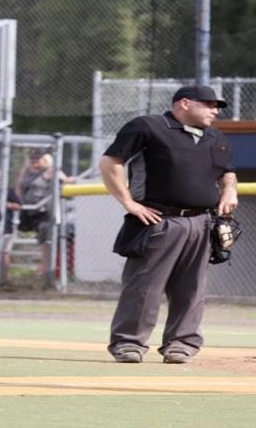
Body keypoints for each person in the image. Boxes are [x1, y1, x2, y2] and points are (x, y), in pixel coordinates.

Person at [99, 84, 238, 364]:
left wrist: (229, 190)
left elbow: (227, 172)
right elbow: (110, 162)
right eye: (209, 104)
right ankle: (129, 343)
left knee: (191, 287)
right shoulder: (148, 127)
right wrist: (129, 203)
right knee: (144, 286)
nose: (215, 111)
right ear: (184, 103)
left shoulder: (215, 137)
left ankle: (182, 343)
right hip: (158, 220)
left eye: (217, 107)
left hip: (201, 222)